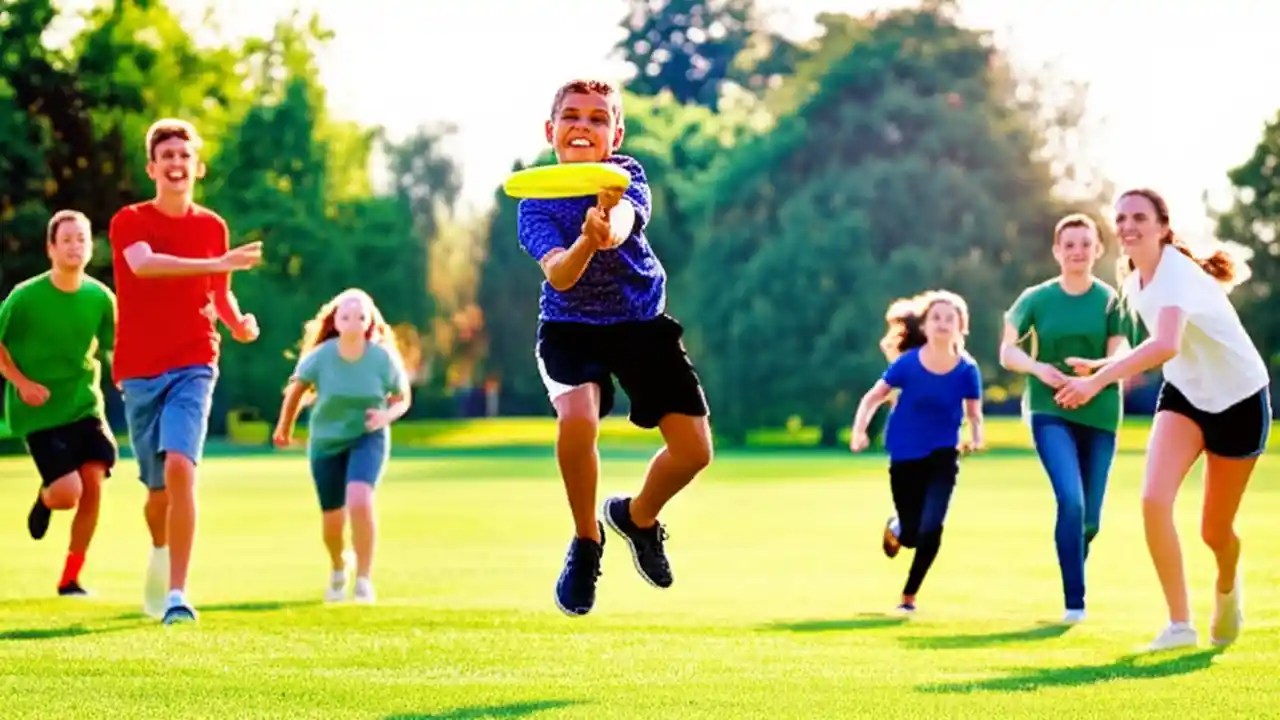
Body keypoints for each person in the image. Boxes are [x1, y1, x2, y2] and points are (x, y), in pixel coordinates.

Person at [517, 79, 713, 617]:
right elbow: (559, 275)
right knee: (577, 416)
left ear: (615, 133)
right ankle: (586, 542)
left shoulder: (626, 176)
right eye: (572, 116)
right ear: (551, 130)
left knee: (695, 452)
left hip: (640, 324)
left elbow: (626, 220)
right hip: (570, 327)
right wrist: (585, 238)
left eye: (598, 118)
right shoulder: (534, 202)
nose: (584, 125)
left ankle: (636, 517)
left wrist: (608, 224)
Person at [1056, 188, 1271, 650]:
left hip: (1239, 400)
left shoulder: (1176, 271)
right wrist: (1101, 367)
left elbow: (1168, 343)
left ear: (1162, 226)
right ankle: (1180, 626)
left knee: (1214, 529)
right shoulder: (1135, 281)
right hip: (1186, 397)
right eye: (1122, 218)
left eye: (1139, 217)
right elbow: (1163, 346)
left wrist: (1099, 382)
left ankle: (1228, 585)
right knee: (1154, 500)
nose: (1128, 226)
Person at [108, 118, 263, 624]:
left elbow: (218, 294)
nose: (176, 164)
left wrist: (237, 322)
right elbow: (145, 266)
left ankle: (178, 593)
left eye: (183, 156)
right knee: (156, 495)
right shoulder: (128, 220)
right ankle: (159, 552)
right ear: (153, 167)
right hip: (138, 368)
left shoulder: (211, 227)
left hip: (195, 360)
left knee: (180, 466)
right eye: (166, 157)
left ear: (197, 167)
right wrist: (218, 263)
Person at [999, 213, 1128, 623]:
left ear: (1098, 250)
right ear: (1057, 251)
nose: (1077, 251)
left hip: (1101, 412)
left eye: (1085, 244)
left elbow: (1123, 351)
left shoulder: (1112, 300)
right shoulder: (1035, 298)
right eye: (1069, 244)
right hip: (1049, 409)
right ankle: (1075, 602)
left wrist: (1097, 367)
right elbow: (1008, 351)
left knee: (1090, 521)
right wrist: (1039, 370)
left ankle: (1073, 559)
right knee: (1070, 502)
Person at [0, 210, 117, 596]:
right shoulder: (25, 298)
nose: (75, 246)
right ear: (51, 247)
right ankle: (46, 497)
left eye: (82, 238)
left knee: (94, 484)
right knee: (68, 494)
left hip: (84, 405)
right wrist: (21, 382)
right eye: (66, 239)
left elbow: (118, 347)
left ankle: (71, 578)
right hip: (38, 411)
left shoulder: (100, 298)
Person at [273, 288, 411, 604]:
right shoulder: (322, 356)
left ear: (368, 322)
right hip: (326, 442)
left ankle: (363, 580)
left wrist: (385, 416)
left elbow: (403, 397)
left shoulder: (381, 358)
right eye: (345, 315)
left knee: (360, 500)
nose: (352, 321)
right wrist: (284, 428)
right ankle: (338, 568)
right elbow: (295, 391)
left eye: (359, 316)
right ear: (335, 320)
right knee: (332, 521)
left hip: (368, 436)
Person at [850, 290, 984, 614]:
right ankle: (897, 527)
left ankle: (909, 597)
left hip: (943, 455)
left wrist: (977, 436)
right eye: (936, 317)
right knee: (911, 534)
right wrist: (859, 430)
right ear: (924, 326)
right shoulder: (908, 364)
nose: (942, 323)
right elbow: (873, 397)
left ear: (960, 327)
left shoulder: (967, 370)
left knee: (932, 528)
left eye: (949, 318)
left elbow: (974, 412)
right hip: (905, 454)